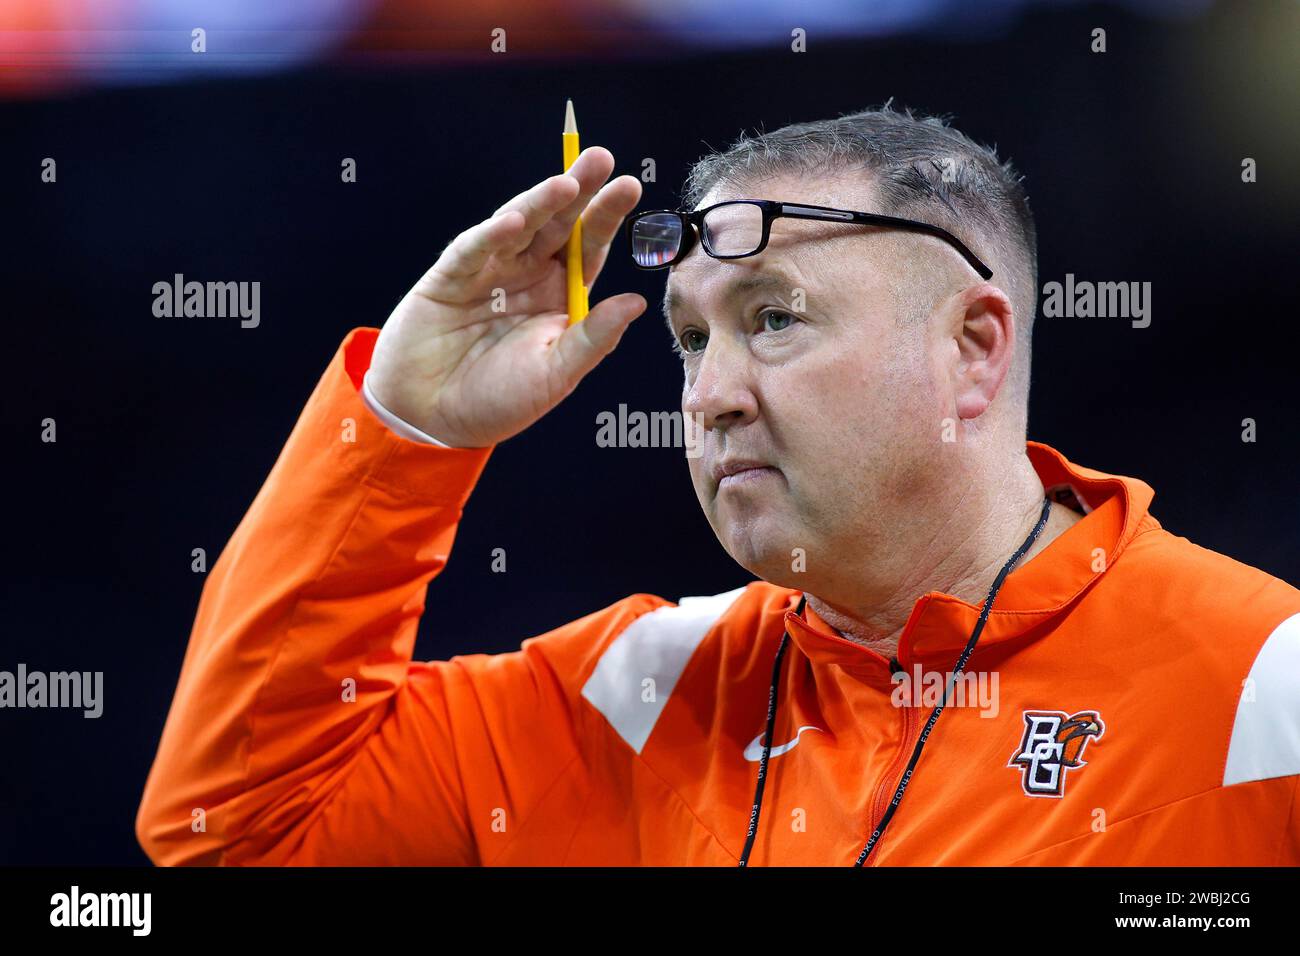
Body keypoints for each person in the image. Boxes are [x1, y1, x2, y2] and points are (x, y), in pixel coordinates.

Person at [136, 105, 1300, 866]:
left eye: (774, 319)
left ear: (973, 349)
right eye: (691, 339)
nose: (709, 394)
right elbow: (231, 826)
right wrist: (403, 426)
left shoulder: (1264, 686)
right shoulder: (640, 693)